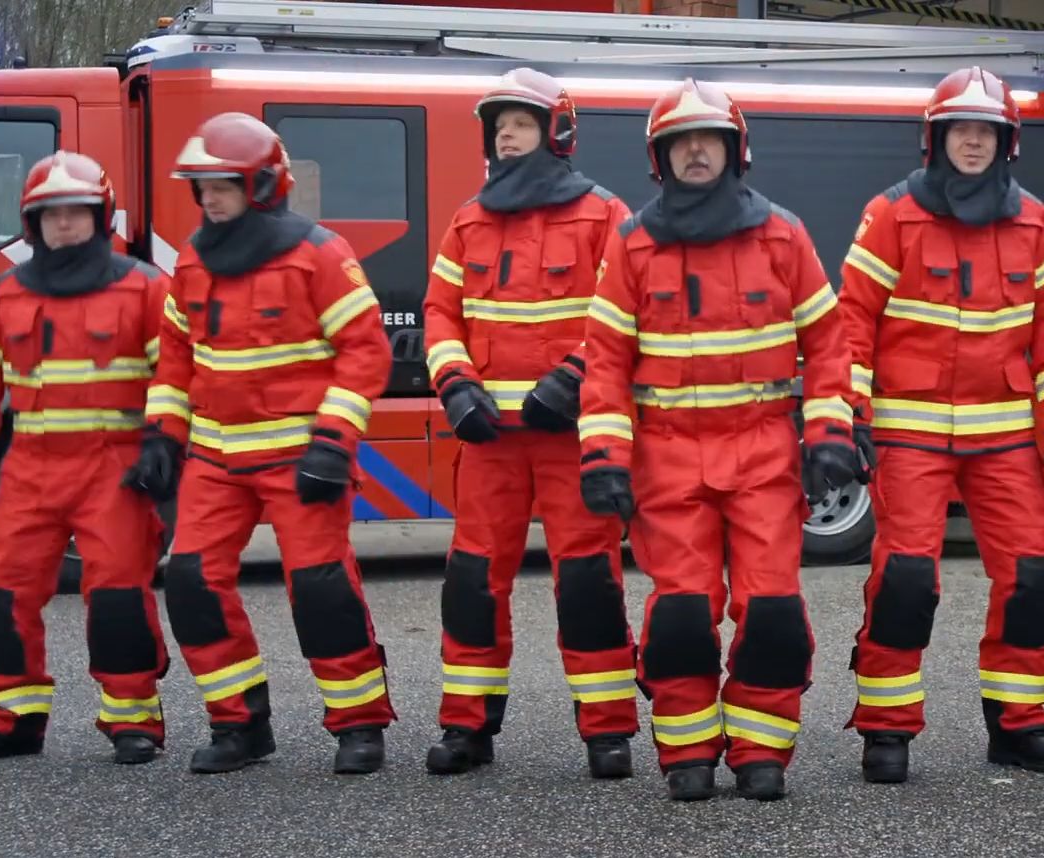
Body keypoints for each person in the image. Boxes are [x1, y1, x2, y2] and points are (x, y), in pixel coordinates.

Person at [577, 78, 862, 802]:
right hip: (666, 456)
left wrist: (830, 432)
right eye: (681, 142)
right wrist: (605, 456)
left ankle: (763, 748)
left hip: (764, 448)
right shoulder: (633, 242)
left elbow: (830, 343)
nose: (696, 151)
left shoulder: (782, 234)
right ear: (659, 157)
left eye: (709, 140)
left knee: (770, 606)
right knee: (682, 610)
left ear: (736, 151)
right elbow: (604, 360)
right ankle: (687, 750)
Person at [134, 111, 398, 775]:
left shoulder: (319, 254)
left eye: (221, 184)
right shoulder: (193, 259)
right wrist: (163, 434)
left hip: (301, 456)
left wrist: (334, 442)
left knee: (322, 591)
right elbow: (175, 353)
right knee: (192, 585)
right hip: (216, 458)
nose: (208, 197)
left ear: (261, 183)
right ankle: (240, 724)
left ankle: (360, 724)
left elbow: (365, 352)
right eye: (201, 186)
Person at [834, 65, 1044, 784]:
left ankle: (1018, 725)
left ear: (1008, 142)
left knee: (1034, 577)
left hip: (1001, 434)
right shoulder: (892, 213)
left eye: (986, 131)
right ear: (935, 138)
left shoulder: (1030, 217)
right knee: (906, 579)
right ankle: (886, 726)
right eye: (960, 130)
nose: (973, 141)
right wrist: (851, 412)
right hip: (909, 430)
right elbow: (851, 321)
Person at [419, 68, 640, 779]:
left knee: (587, 584)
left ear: (557, 131)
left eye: (520, 122)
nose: (507, 135)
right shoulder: (469, 219)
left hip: (573, 434)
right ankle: (467, 728)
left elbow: (626, 314)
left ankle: (608, 732)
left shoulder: (606, 215)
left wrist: (573, 380)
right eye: (499, 125)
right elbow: (439, 313)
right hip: (490, 441)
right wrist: (454, 387)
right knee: (473, 582)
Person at [0, 151, 172, 766]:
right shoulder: (7, 292)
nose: (65, 224)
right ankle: (12, 718)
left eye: (76, 212)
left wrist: (163, 441)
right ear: (31, 224)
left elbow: (176, 373)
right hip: (29, 469)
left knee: (119, 596)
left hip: (115, 467)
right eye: (52, 215)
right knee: (0, 595)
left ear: (101, 217)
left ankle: (132, 720)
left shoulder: (145, 286)